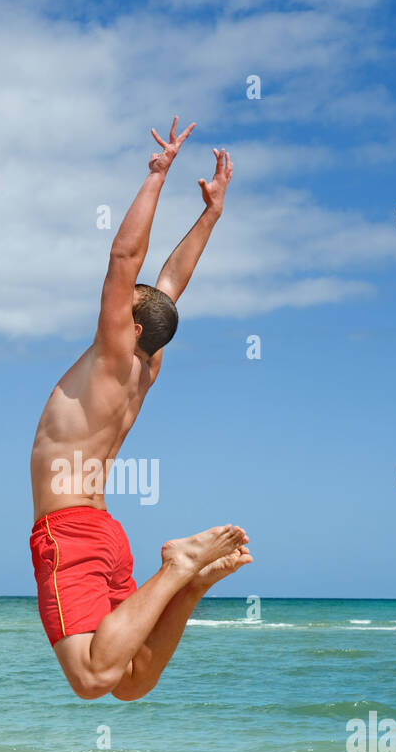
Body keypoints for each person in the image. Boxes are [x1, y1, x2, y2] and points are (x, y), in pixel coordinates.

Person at [29, 118, 250, 701]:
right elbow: (169, 285)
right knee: (130, 683)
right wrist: (211, 215)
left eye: (122, 302)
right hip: (105, 531)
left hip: (69, 529)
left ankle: (178, 565)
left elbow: (125, 255)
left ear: (127, 323)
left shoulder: (111, 357)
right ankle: (190, 585)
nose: (118, 296)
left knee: (91, 679)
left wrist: (158, 174)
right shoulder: (146, 365)